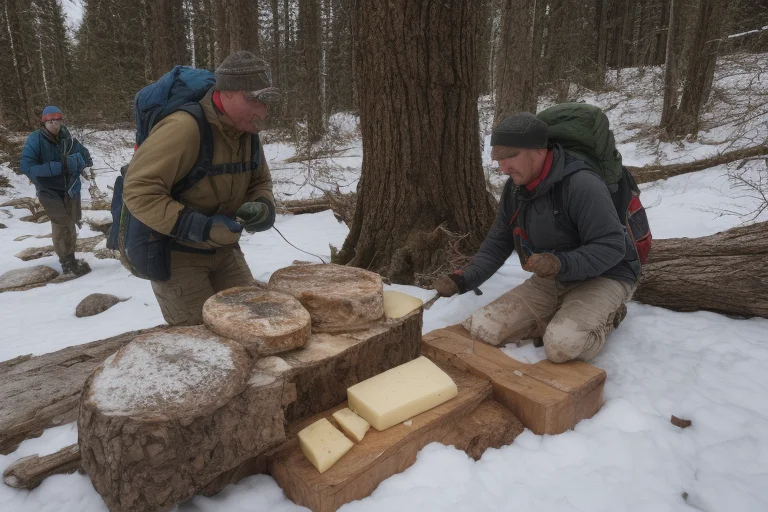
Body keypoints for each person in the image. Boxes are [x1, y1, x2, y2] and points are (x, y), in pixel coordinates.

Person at [433, 112, 640, 363]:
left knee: (562, 346)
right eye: (498, 159)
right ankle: (559, 315)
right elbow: (498, 242)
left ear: (539, 151)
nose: (503, 167)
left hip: (606, 275)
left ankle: (610, 314)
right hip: (554, 276)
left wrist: (561, 263)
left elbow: (612, 245)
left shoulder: (581, 184)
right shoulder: (516, 190)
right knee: (482, 327)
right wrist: (462, 279)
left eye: (510, 156)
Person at [123, 50, 279, 326]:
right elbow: (138, 191)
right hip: (177, 257)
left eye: (266, 101)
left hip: (225, 250)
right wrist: (202, 228)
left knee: (255, 326)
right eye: (254, 100)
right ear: (227, 93)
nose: (262, 111)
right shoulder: (184, 127)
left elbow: (260, 181)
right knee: (206, 343)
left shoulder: (247, 132)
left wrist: (263, 206)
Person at [20, 106, 93, 276]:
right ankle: (67, 262)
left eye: (57, 119)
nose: (54, 123)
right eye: (50, 120)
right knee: (62, 223)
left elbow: (84, 154)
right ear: (44, 122)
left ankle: (71, 254)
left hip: (70, 187)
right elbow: (27, 167)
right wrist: (60, 167)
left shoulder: (68, 138)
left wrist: (85, 161)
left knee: (72, 220)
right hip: (48, 190)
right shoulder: (35, 140)